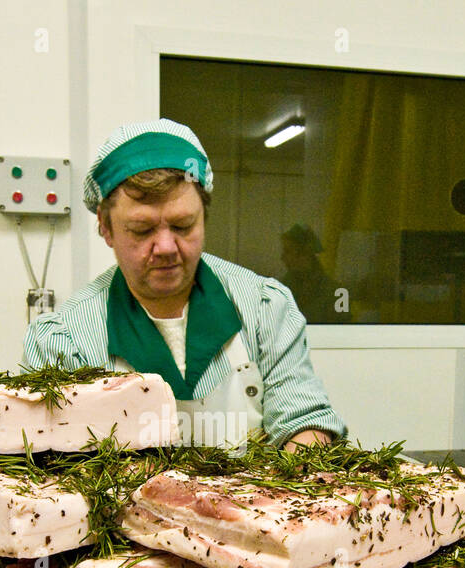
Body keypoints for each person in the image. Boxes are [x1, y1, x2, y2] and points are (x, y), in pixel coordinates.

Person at [22, 119, 345, 450]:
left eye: (182, 225)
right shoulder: (64, 339)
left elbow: (304, 422)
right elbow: (50, 463)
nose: (165, 247)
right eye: (142, 229)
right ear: (106, 227)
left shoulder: (265, 308)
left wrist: (293, 477)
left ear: (203, 217)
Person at [279, 223, 336, 325]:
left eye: (288, 251)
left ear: (304, 254)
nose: (282, 257)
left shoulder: (332, 291)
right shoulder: (283, 287)